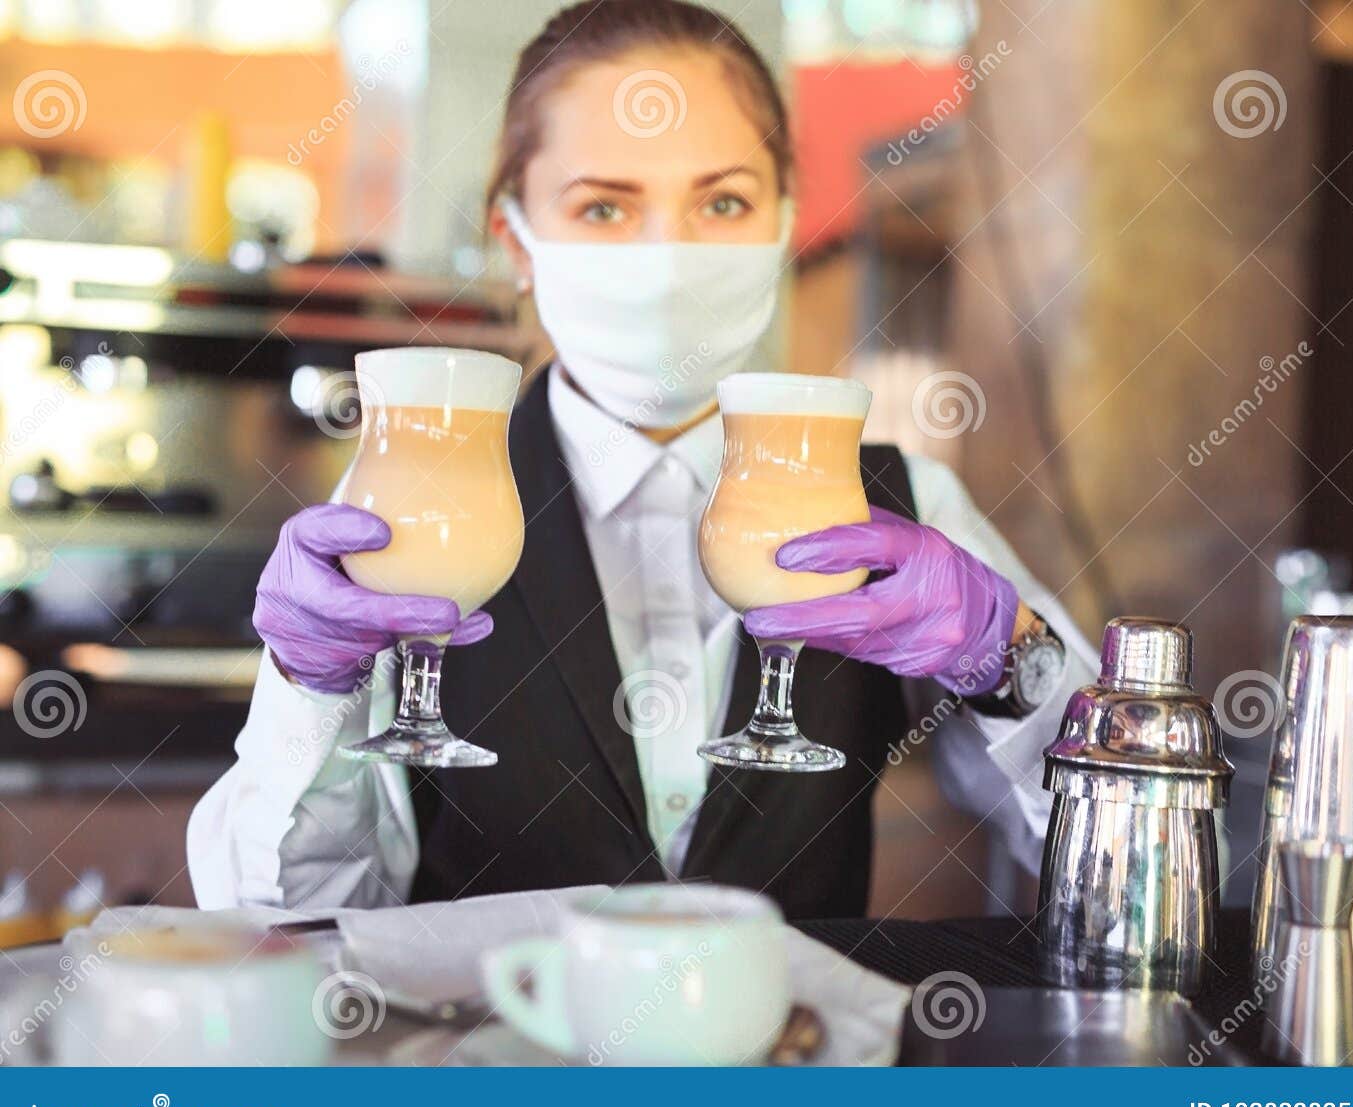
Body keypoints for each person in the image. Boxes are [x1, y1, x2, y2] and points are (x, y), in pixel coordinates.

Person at [187, 0, 1097, 919]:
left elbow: (1110, 870)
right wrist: (309, 695)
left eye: (723, 200)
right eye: (605, 205)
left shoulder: (902, 509)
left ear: (783, 221)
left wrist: (1013, 657)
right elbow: (279, 919)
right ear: (517, 241)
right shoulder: (405, 509)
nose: (668, 252)